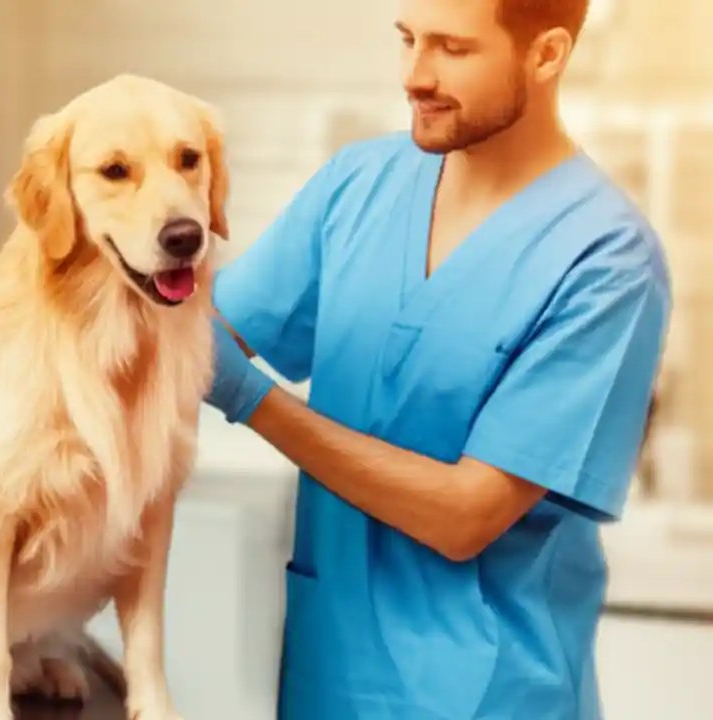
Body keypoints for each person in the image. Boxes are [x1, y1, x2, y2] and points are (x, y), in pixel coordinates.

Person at [203, 0, 671, 718]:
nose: (413, 76)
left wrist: (252, 401)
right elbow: (192, 340)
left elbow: (466, 515)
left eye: (452, 47)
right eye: (407, 39)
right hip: (330, 683)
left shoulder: (606, 260)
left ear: (546, 55)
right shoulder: (357, 186)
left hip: (490, 695)